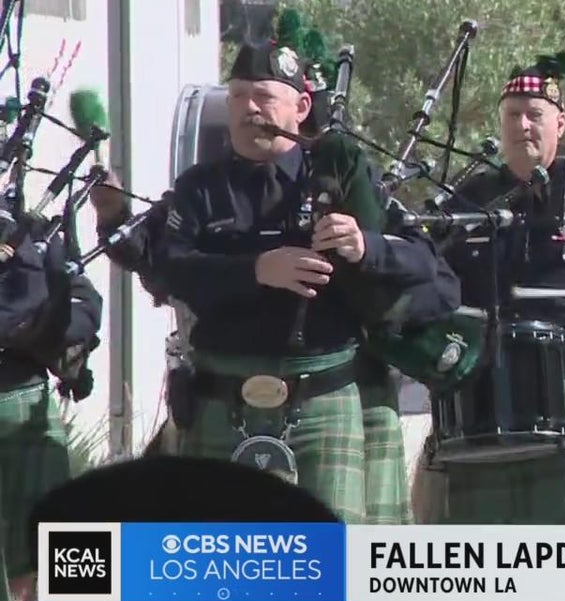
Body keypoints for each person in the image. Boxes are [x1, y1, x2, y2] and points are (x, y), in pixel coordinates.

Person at [156, 34, 442, 524]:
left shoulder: (341, 175)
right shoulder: (200, 188)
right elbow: (169, 270)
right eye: (239, 96)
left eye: (264, 96)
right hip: (221, 399)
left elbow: (424, 260)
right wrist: (255, 270)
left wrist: (365, 245)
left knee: (330, 562)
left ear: (301, 106)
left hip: (323, 398)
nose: (249, 109)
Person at [427, 50, 565, 524]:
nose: (522, 125)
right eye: (512, 115)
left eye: (534, 115)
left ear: (559, 124)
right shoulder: (469, 201)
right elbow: (432, 275)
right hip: (480, 383)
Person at [0, 221, 103, 601]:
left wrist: (48, 331)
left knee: (38, 569)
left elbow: (83, 300)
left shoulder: (31, 229)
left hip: (24, 399)